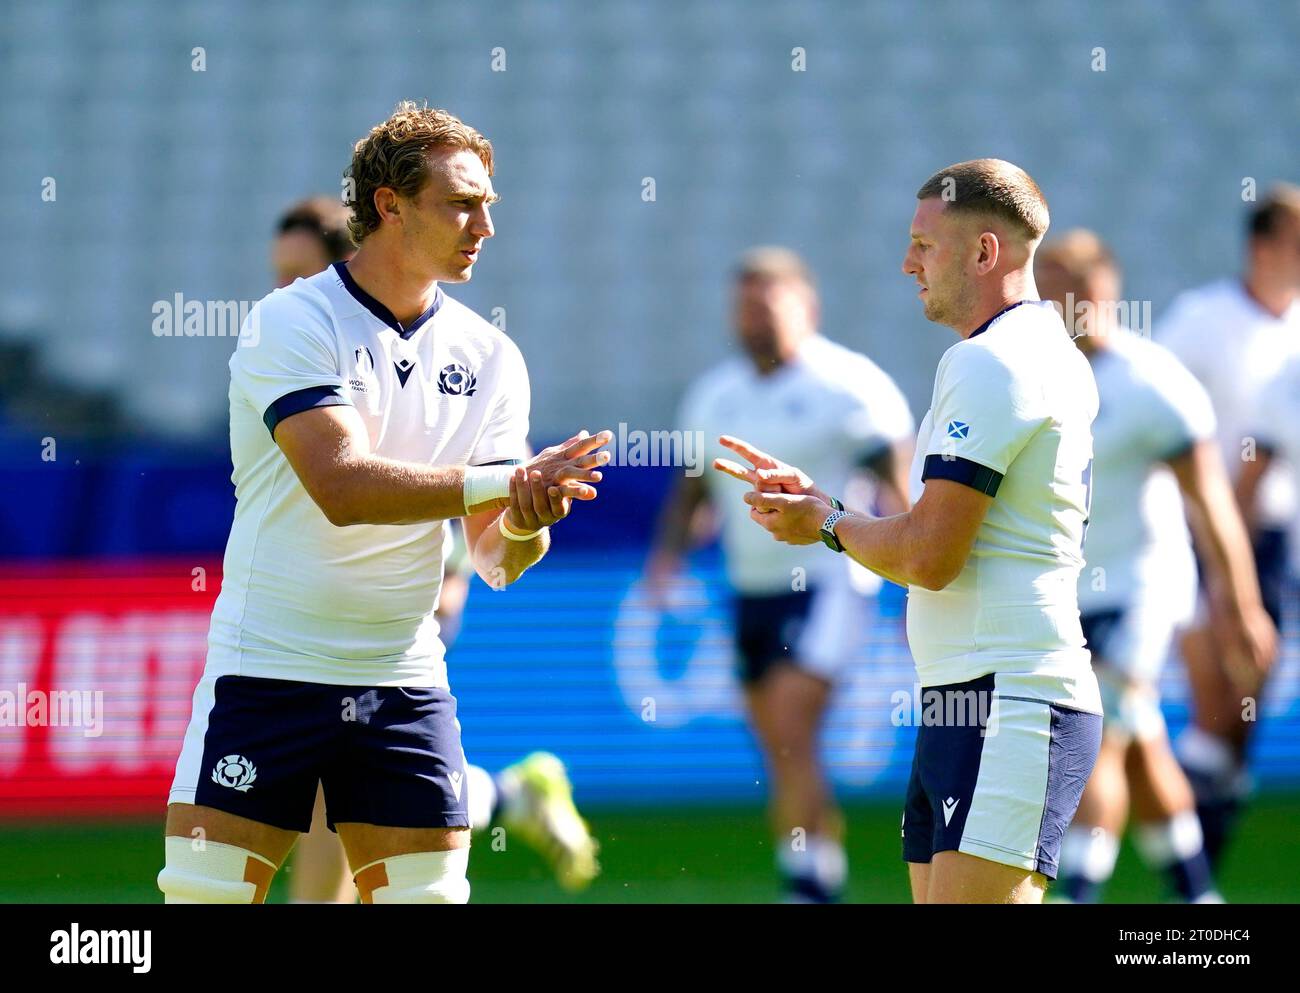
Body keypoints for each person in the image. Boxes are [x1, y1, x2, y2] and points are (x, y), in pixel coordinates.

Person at [158, 102, 611, 904]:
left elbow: (495, 556)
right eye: (461, 203)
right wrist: (506, 484)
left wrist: (527, 519)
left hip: (400, 679)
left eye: (488, 205)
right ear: (389, 205)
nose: (485, 226)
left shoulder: (492, 356)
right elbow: (342, 486)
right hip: (265, 668)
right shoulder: (290, 320)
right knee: (206, 899)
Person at [717, 160, 1101, 904]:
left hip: (1009, 697)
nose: (907, 263)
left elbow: (930, 556)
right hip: (967, 696)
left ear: (984, 253)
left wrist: (827, 523)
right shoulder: (1031, 349)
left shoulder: (992, 361)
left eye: (923, 244)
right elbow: (935, 534)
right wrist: (829, 507)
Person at [265, 197, 600, 902]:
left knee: (346, 805)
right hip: (315, 615)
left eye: (298, 274)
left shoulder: (411, 354)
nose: (284, 292)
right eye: (277, 277)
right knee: (368, 805)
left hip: (395, 611)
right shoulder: (291, 349)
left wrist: (484, 541)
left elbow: (434, 509)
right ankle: (512, 794)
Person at [650, 247, 913, 903]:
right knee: (780, 748)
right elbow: (692, 490)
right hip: (750, 589)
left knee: (792, 728)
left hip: (829, 582)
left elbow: (899, 485)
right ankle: (816, 868)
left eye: (769, 301)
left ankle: (807, 889)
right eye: (745, 303)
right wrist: (667, 557)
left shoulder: (848, 384)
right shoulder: (714, 394)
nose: (754, 315)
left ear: (807, 307)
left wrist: (915, 568)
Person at [1036, 230, 1274, 903]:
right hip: (1064, 595)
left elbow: (1212, 503)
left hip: (1143, 587)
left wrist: (1242, 601)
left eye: (1066, 287)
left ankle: (1076, 890)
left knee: (1093, 732)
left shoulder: (1150, 382)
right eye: (1045, 286)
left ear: (1102, 294)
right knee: (1140, 742)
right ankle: (1198, 896)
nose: (1053, 301)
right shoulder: (1036, 380)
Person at [1155, 184, 1300, 867]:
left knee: (1245, 709)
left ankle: (1198, 850)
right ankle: (1189, 883)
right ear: (1262, 246)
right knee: (1216, 699)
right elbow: (1158, 419)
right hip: (1200, 528)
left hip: (1274, 537)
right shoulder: (1200, 320)